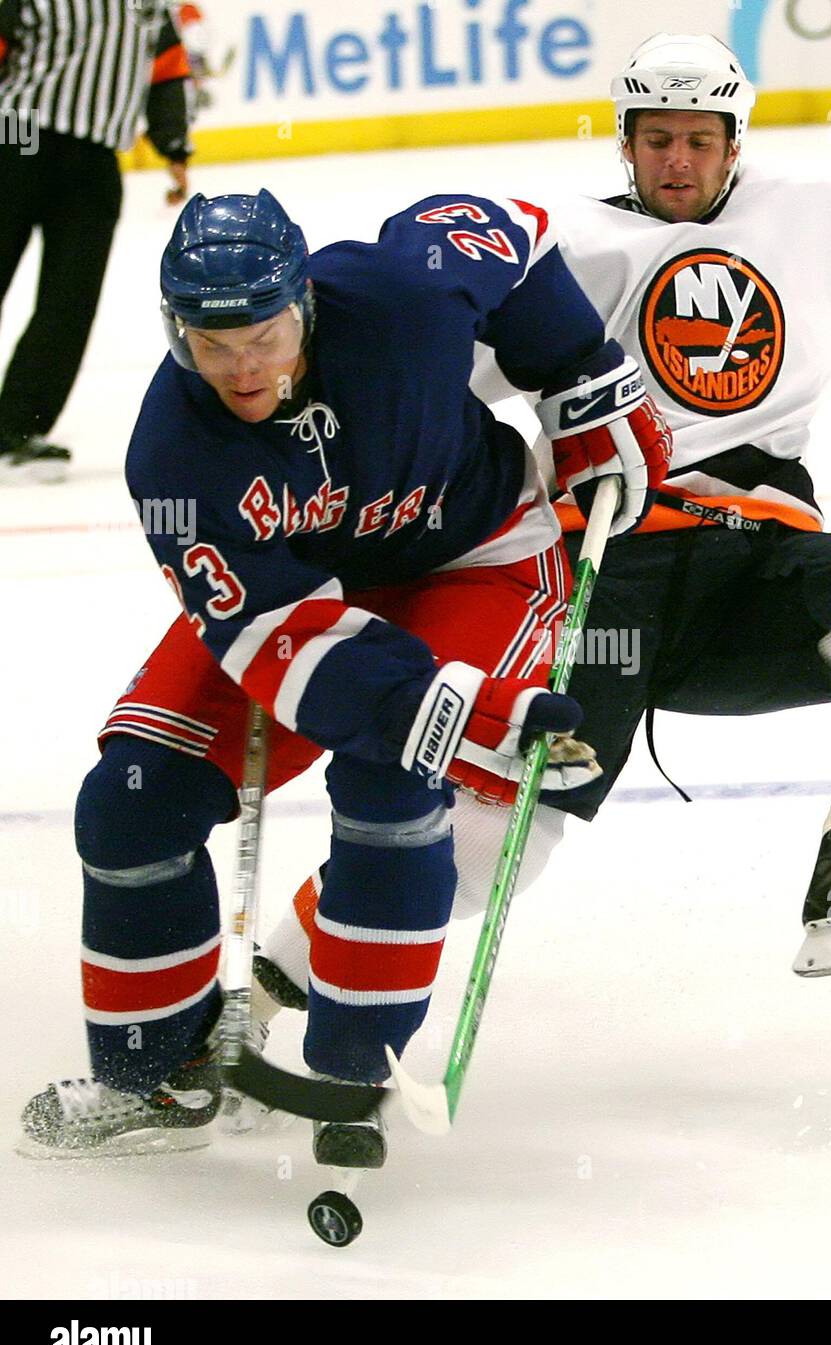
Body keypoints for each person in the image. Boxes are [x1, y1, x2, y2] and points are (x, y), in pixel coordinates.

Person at [251, 32, 831, 1034]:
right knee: (478, 855)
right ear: (623, 143)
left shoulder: (816, 221)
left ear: (734, 140)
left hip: (758, 574)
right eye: (654, 141)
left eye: (696, 139)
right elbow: (417, 375)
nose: (675, 161)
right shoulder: (560, 252)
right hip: (598, 579)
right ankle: (243, 1009)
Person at [17, 187, 670, 1162]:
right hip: (307, 605)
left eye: (264, 335)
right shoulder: (175, 454)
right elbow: (291, 646)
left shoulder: (400, 295)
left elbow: (509, 231)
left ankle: (346, 1064)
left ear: (305, 305)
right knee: (131, 798)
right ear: (173, 332)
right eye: (210, 342)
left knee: (385, 777)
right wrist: (464, 707)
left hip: (475, 556)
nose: (241, 367)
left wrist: (581, 377)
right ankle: (155, 1076)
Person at [0, 0, 192, 481]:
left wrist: (173, 145)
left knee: (70, 300)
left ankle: (16, 429)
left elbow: (165, 66)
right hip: (15, 140)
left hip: (94, 158)